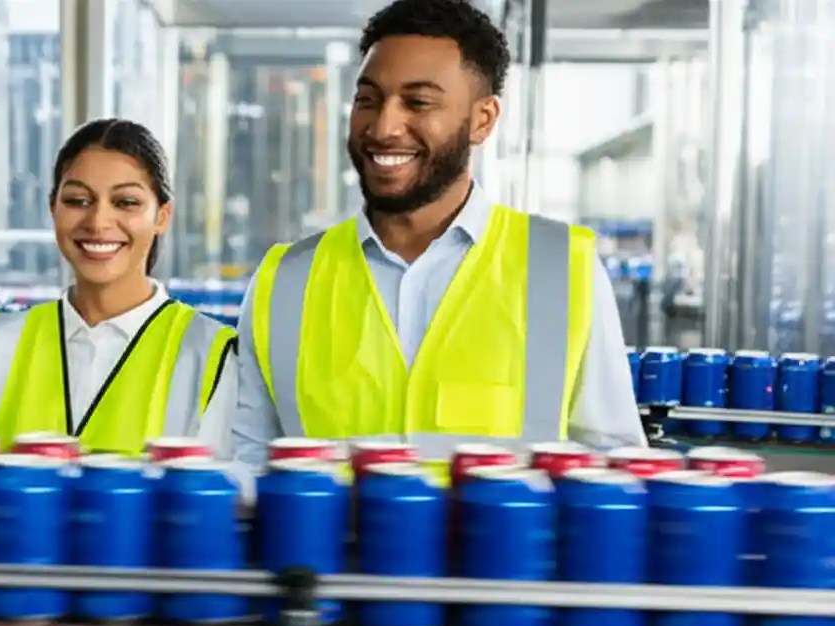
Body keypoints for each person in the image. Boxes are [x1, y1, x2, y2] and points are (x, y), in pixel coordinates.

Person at [232, 0, 645, 472]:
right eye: (368, 98)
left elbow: (610, 469)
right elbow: (248, 465)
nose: (383, 127)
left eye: (418, 102)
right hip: (322, 549)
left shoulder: (564, 267)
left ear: (484, 120)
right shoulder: (285, 280)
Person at [0, 119, 238, 457]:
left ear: (162, 216)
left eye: (126, 202)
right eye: (78, 200)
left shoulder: (209, 352)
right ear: (53, 208)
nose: (97, 222)